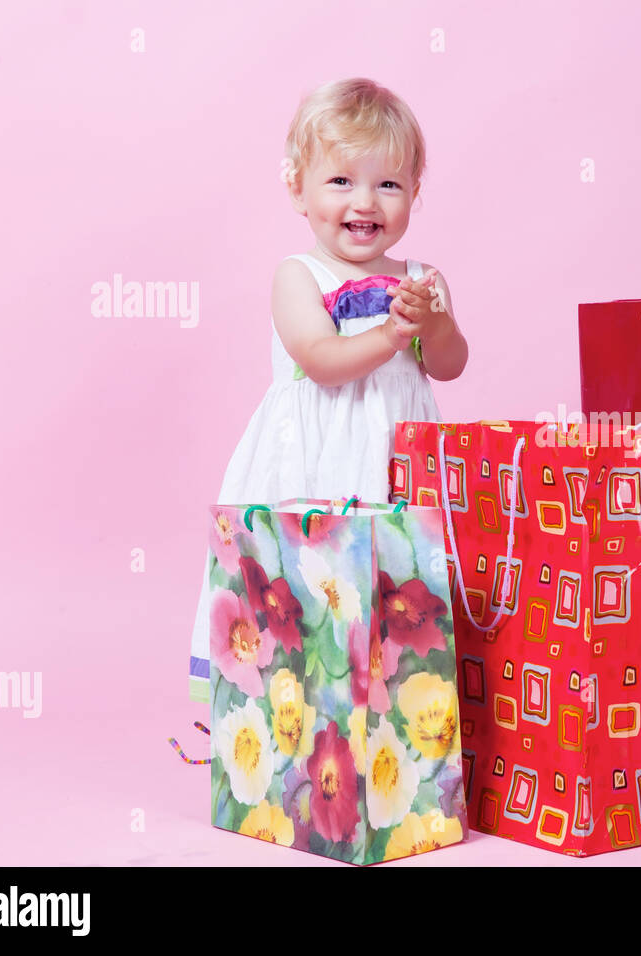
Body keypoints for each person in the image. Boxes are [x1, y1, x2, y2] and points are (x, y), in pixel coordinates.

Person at [187, 78, 468, 702]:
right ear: (298, 188)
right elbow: (321, 361)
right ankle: (302, 713)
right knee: (312, 585)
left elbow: (449, 365)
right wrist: (394, 335)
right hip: (315, 458)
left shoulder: (422, 280)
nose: (364, 201)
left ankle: (393, 712)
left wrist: (436, 324)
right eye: (341, 181)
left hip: (398, 454)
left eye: (388, 184)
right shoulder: (298, 276)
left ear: (414, 193)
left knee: (399, 582)